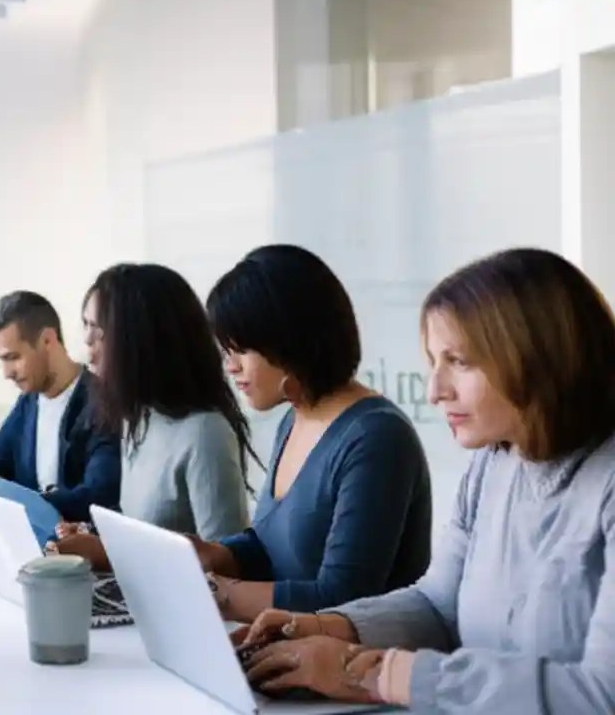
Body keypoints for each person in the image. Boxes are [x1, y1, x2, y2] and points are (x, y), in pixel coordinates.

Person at [233, 248, 615, 713]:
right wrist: (321, 627)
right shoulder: (494, 462)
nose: (435, 390)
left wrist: (370, 672)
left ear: (540, 357)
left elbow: (602, 695)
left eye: (459, 361)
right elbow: (437, 605)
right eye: (435, 361)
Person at [190, 244, 432, 622]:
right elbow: (273, 547)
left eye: (241, 349)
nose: (230, 366)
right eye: (225, 350)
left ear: (288, 340)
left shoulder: (376, 437)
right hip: (286, 650)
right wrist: (213, 555)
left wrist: (218, 594)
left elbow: (344, 598)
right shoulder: (294, 418)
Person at [52, 264, 253, 570]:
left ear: (140, 339)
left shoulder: (204, 433)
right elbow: (145, 528)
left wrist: (108, 552)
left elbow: (226, 567)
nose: (88, 347)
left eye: (100, 331)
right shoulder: (139, 418)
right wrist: (93, 536)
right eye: (86, 327)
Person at [0, 291, 121, 529]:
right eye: (2, 360)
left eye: (13, 357)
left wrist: (2, 501)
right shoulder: (29, 401)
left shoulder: (103, 404)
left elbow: (97, 496)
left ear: (47, 341)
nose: (6, 373)